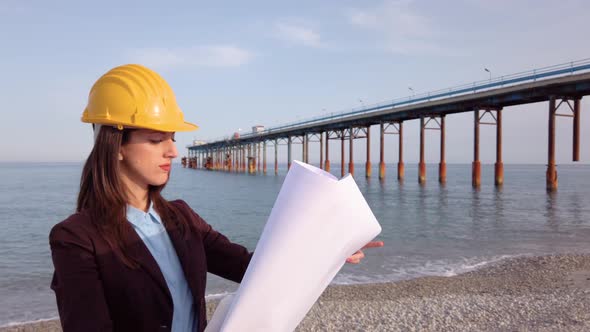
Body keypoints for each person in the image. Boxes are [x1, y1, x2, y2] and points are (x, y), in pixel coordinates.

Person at [49, 64, 383, 332]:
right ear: (115, 146)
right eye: (155, 140)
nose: (173, 151)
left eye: (172, 138)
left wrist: (330, 246)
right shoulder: (76, 238)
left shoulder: (181, 218)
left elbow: (253, 268)